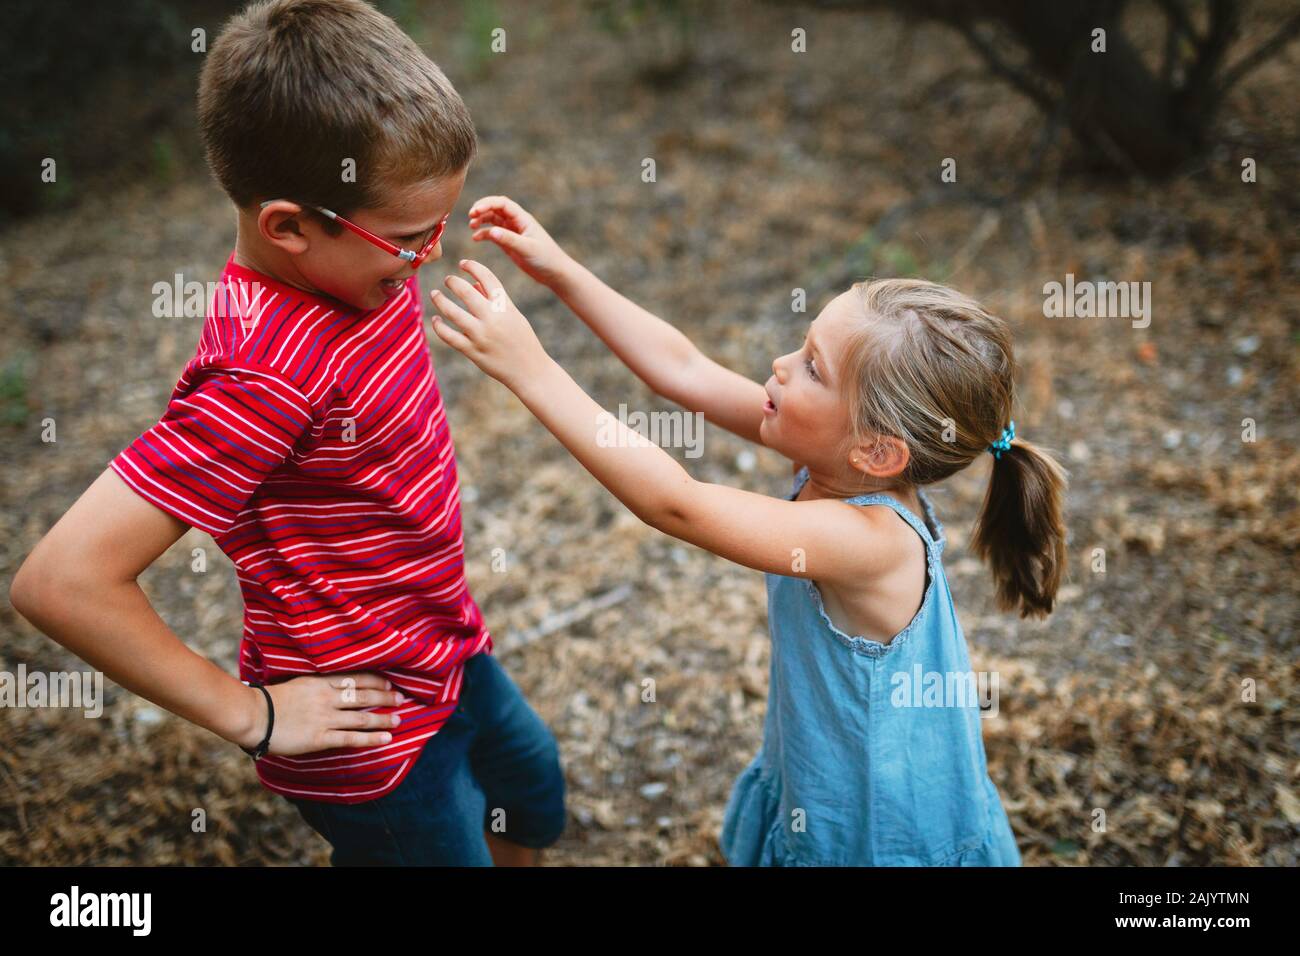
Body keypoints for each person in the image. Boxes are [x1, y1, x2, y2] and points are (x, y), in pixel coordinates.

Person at [10, 0, 564, 867]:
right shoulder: (261, 378)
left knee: (531, 799)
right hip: (373, 739)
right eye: (412, 242)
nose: (432, 259)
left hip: (449, 644)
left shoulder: (352, 274)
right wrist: (253, 715)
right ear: (289, 227)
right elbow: (60, 583)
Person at [425, 195, 1069, 864]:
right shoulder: (840, 457)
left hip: (877, 830)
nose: (783, 364)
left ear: (878, 450)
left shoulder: (871, 541)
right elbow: (683, 369)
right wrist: (558, 270)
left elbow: (677, 504)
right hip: (831, 781)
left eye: (814, 367)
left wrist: (532, 371)